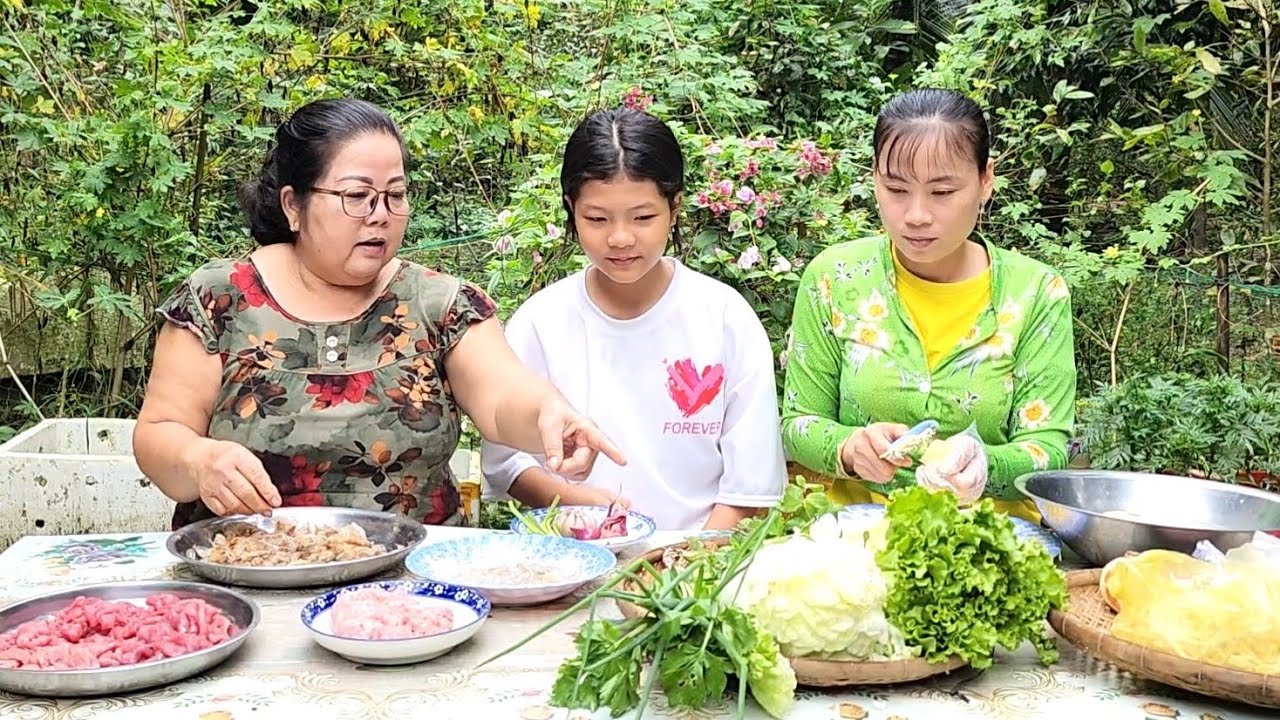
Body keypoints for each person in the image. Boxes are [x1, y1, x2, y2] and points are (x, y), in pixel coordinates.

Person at [133, 98, 625, 529]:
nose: (380, 214)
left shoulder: (439, 304)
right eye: (356, 196)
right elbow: (159, 434)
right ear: (293, 205)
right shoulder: (219, 299)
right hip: (245, 568)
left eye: (395, 194)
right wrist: (198, 459)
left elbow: (501, 399)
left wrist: (548, 413)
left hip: (412, 581)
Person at [481, 107, 786, 531]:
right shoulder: (540, 323)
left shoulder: (724, 318)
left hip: (698, 577)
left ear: (675, 207)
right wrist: (575, 503)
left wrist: (681, 569)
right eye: (596, 218)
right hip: (573, 561)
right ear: (571, 209)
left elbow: (750, 489)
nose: (620, 238)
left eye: (643, 217)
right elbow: (505, 462)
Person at [780, 88, 1076, 522]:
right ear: (874, 179)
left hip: (994, 544)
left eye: (942, 192)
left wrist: (985, 466)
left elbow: (1047, 447)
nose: (916, 214)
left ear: (985, 180)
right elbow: (798, 423)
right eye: (896, 189)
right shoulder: (834, 279)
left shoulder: (1035, 293)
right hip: (854, 544)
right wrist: (848, 448)